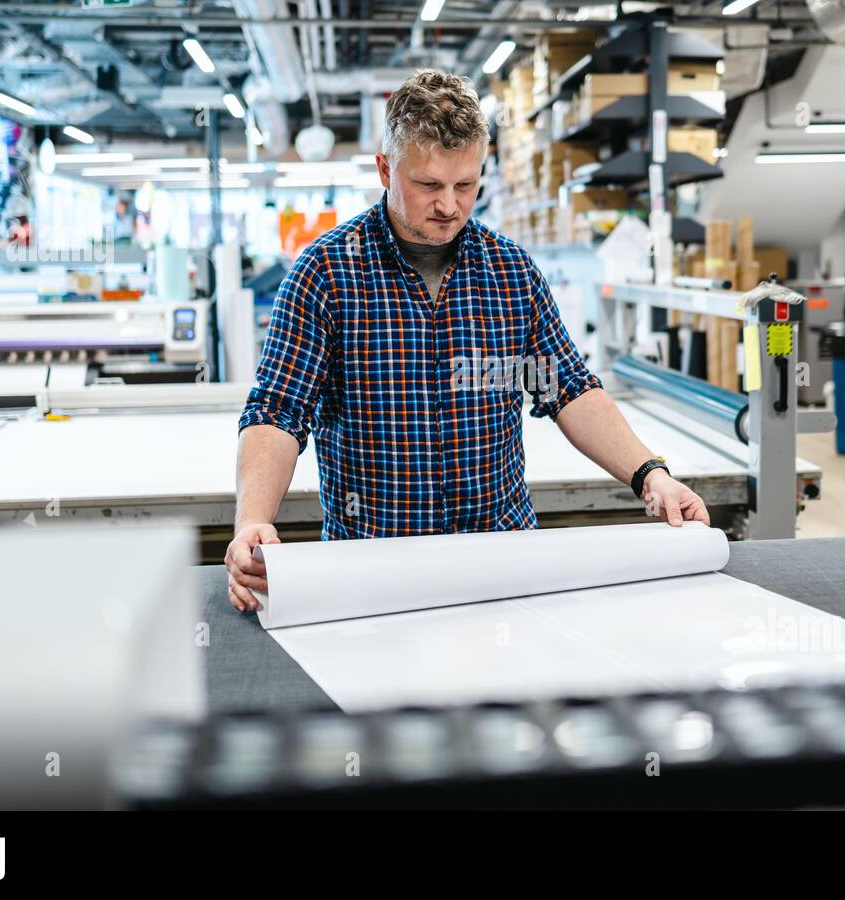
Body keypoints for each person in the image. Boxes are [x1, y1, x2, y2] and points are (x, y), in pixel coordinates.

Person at [226, 70, 709, 611]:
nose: (450, 206)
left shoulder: (511, 271)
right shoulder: (327, 272)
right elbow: (277, 410)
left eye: (466, 185)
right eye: (429, 185)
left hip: (501, 563)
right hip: (374, 571)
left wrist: (651, 473)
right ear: (385, 169)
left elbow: (568, 389)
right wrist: (252, 520)